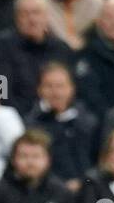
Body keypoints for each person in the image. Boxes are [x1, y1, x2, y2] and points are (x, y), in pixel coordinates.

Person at [24, 61, 98, 190]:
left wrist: (83, 182)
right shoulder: (31, 125)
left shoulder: (88, 121)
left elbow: (97, 159)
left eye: (60, 86)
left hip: (88, 188)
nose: (55, 92)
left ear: (72, 88)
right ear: (39, 89)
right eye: (49, 86)